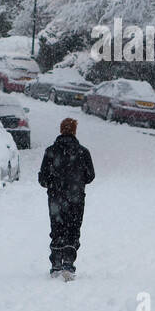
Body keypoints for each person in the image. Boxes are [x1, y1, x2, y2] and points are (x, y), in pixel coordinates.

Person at [38, 117, 95, 278]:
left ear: (61, 130)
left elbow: (43, 179)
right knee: (73, 229)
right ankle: (68, 263)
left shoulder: (50, 151)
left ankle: (56, 263)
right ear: (75, 131)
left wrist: (52, 184)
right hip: (76, 197)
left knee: (57, 228)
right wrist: (77, 181)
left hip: (56, 198)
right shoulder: (83, 152)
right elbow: (90, 176)